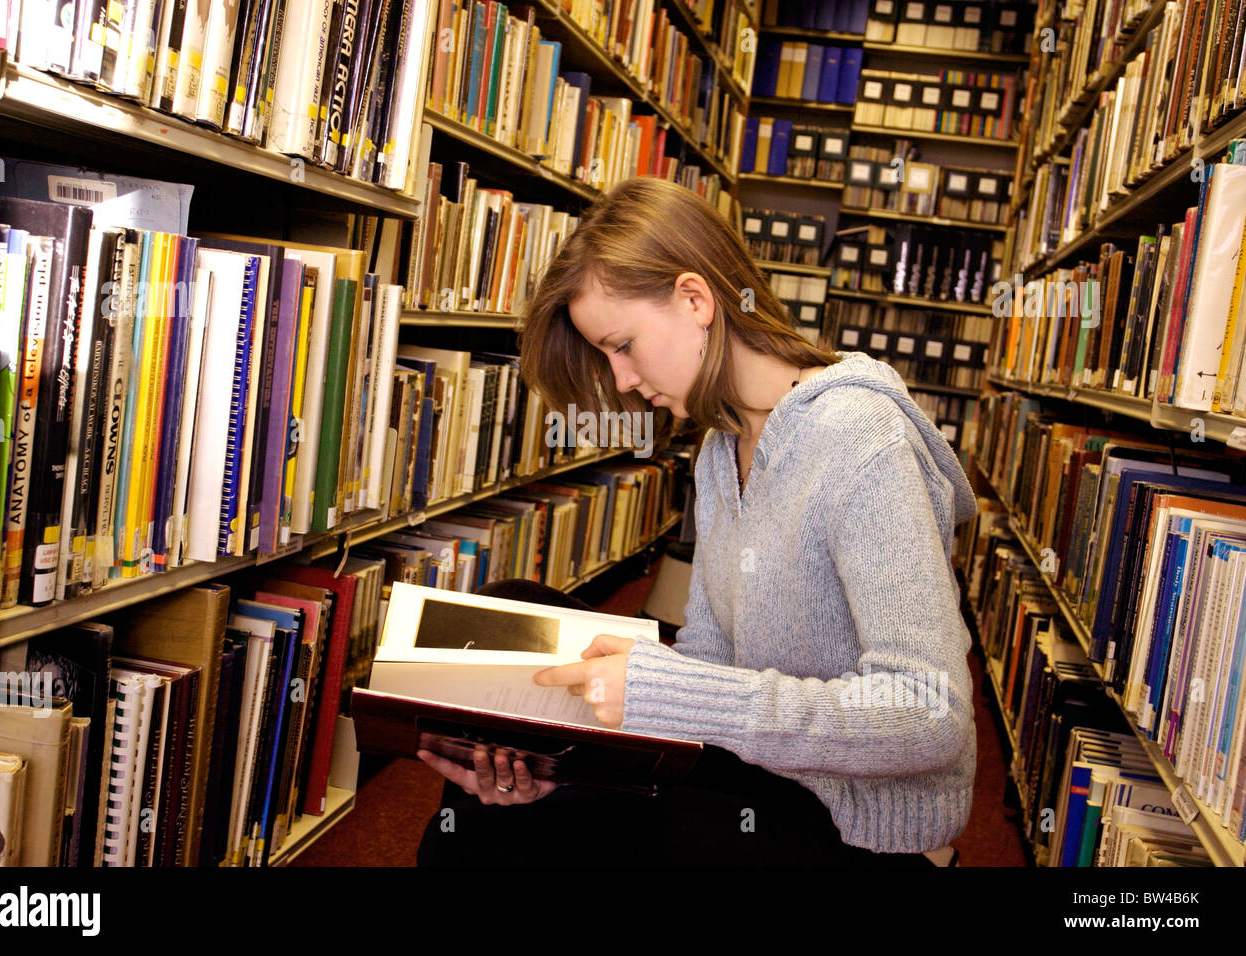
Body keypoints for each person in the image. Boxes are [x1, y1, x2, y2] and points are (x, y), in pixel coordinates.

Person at [416, 176, 977, 866]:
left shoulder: (862, 439)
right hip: (757, 768)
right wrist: (566, 760)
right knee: (504, 620)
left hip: (847, 822)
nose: (620, 379)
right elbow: (711, 659)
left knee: (493, 837)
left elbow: (929, 717)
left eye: (622, 345)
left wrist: (666, 693)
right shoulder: (719, 447)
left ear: (694, 299)